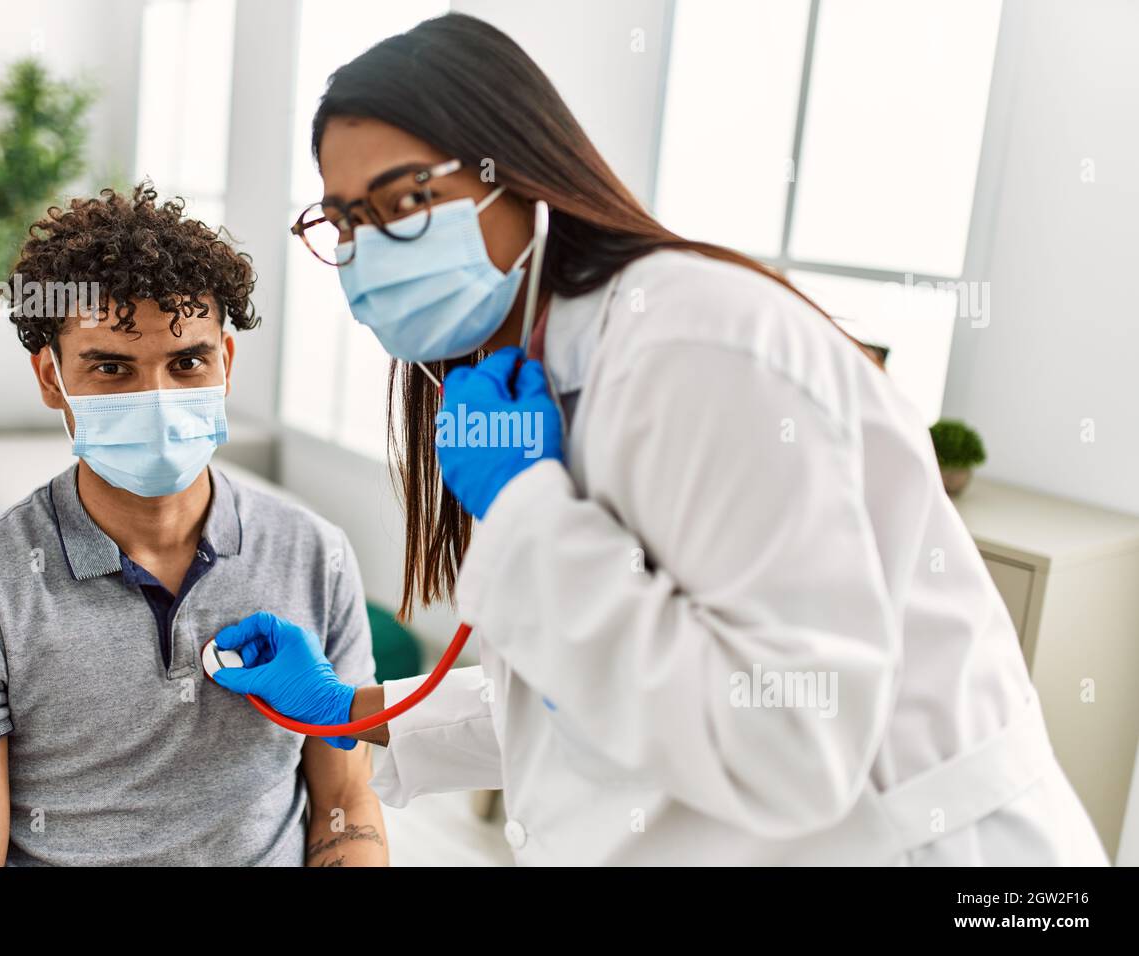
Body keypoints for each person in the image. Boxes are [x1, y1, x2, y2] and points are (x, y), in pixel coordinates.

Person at [211, 13, 1107, 865]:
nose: (369, 247)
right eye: (345, 220)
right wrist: (347, 708)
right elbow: (588, 681)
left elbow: (792, 734)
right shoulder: (538, 376)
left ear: (518, 170)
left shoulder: (691, 346)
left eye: (405, 197)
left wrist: (525, 509)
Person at [0, 184, 386, 866]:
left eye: (187, 363)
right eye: (113, 368)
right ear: (51, 379)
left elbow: (346, 808)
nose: (158, 399)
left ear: (225, 365)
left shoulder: (315, 554)